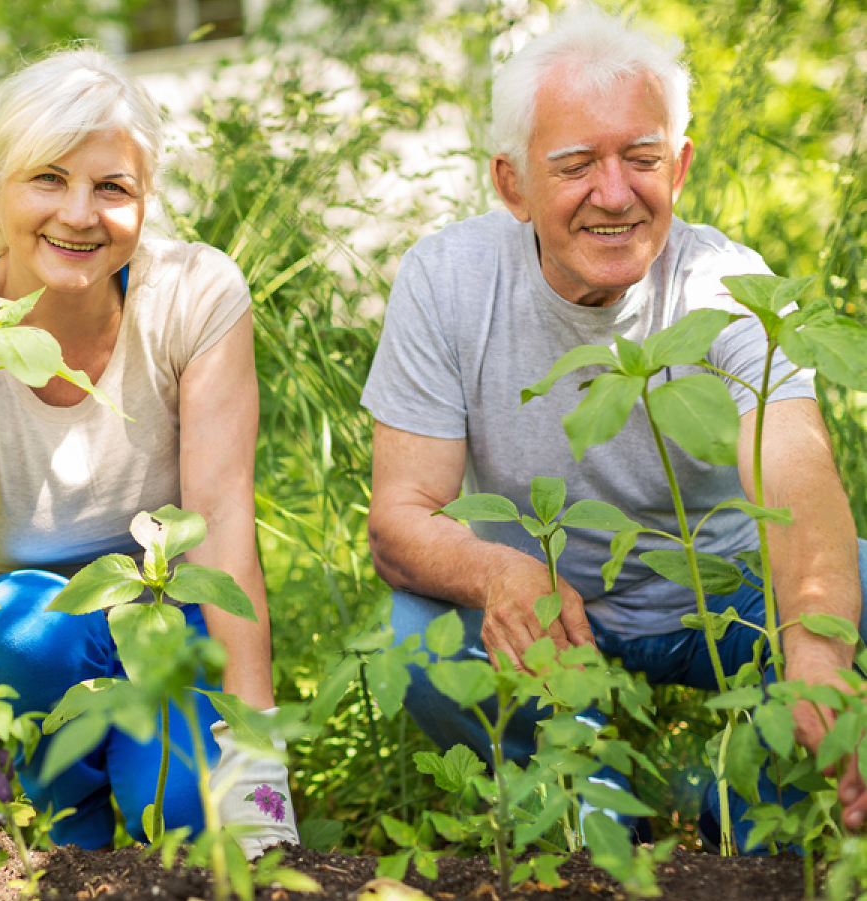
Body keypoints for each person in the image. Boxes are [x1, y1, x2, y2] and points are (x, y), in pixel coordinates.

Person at [362, 4, 867, 851]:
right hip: (556, 613)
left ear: (680, 165)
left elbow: (798, 477)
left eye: (642, 160)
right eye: (575, 166)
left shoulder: (728, 286)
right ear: (511, 183)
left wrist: (816, 655)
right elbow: (399, 517)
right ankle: (587, 801)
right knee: (415, 635)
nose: (614, 194)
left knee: (849, 583)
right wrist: (497, 570)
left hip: (727, 604)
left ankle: (747, 800)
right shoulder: (445, 280)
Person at [0, 48, 298, 855]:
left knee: (196, 823)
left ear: (144, 202)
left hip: (161, 620)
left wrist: (256, 740)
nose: (78, 213)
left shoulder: (196, 297)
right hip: (16, 643)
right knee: (45, 628)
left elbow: (221, 522)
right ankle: (57, 832)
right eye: (48, 178)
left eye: (112, 187)